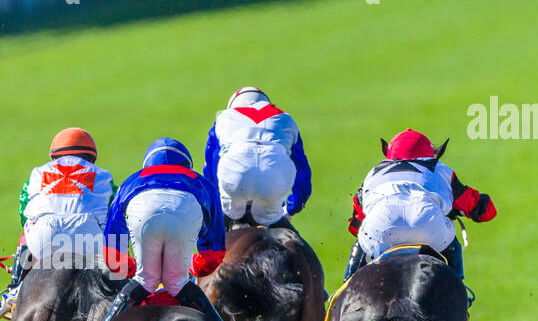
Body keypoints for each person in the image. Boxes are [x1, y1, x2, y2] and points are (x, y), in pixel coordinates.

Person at [87, 137, 242, 321]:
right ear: (186, 165)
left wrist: (131, 270)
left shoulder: (131, 181)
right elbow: (214, 252)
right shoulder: (202, 183)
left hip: (142, 208)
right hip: (186, 207)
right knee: (178, 283)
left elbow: (113, 253)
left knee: (144, 281)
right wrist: (194, 266)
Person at [343, 129, 497, 290]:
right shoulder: (440, 168)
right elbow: (485, 211)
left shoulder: (374, 172)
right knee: (452, 241)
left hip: (380, 229)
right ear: (431, 154)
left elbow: (356, 226)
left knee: (361, 240)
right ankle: (460, 293)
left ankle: (343, 292)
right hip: (428, 227)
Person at [0, 127, 116, 320]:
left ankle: (14, 290)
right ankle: (116, 294)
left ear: (53, 157)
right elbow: (114, 215)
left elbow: (24, 211)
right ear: (91, 158)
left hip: (45, 237)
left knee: (28, 230)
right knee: (115, 236)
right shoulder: (103, 175)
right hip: (88, 239)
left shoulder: (38, 172)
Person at [203, 86, 310, 231]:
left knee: (214, 237)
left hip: (234, 176)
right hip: (274, 178)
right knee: (288, 237)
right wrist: (291, 208)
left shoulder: (223, 118)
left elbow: (210, 170)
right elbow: (302, 172)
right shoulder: (286, 118)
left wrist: (216, 209)